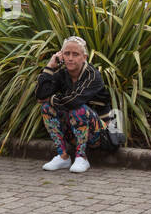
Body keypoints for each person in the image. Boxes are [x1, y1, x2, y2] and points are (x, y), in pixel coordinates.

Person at [36, 36, 114, 173]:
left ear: (84, 57)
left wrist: (52, 99)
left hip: (100, 135)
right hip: (74, 131)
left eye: (75, 54)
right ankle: (63, 157)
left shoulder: (92, 75)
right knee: (46, 108)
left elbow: (74, 101)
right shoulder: (62, 73)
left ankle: (82, 157)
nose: (70, 58)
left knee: (78, 109)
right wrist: (49, 66)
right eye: (66, 53)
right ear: (61, 55)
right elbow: (40, 95)